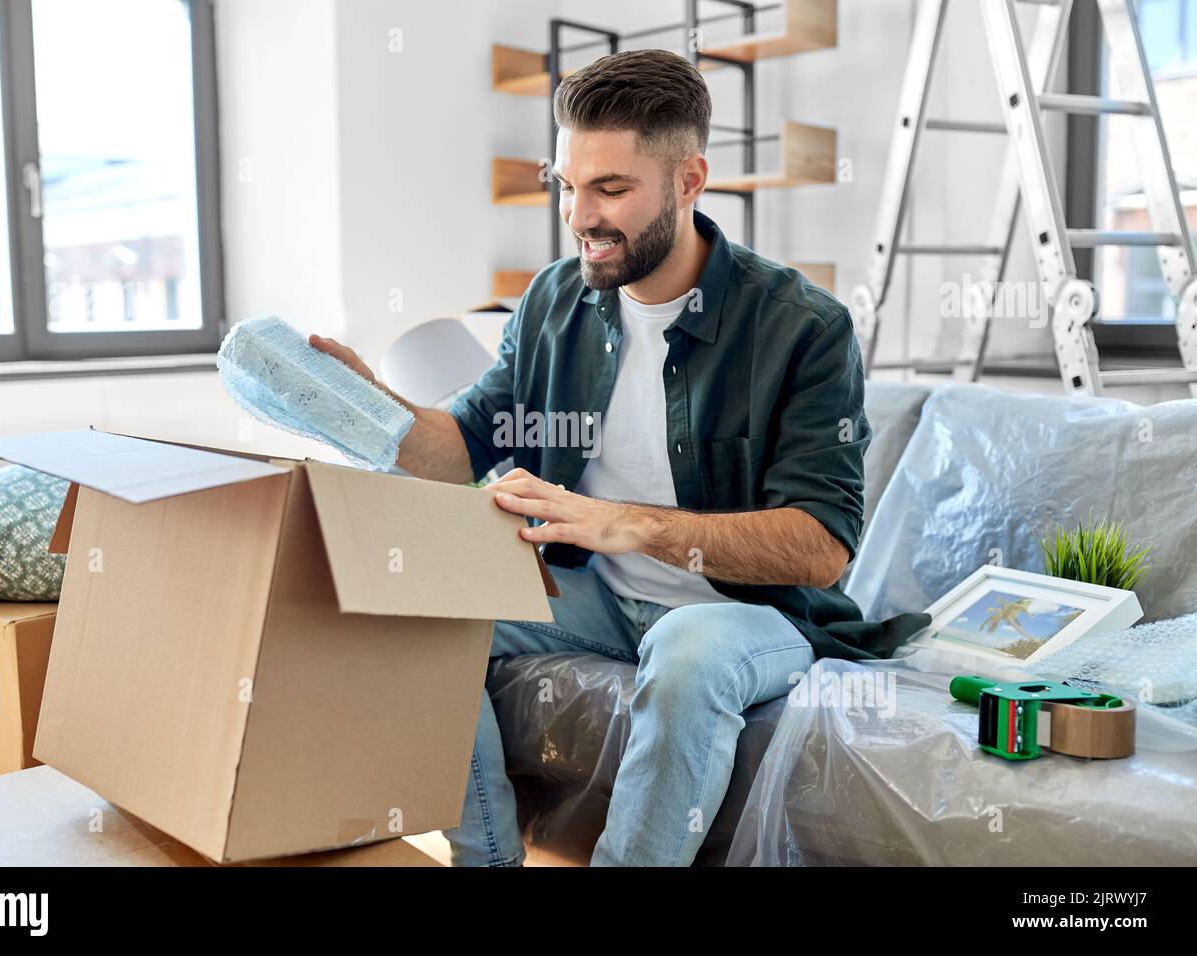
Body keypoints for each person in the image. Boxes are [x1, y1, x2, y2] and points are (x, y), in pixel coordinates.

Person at [310, 48, 925, 867]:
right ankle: (485, 858)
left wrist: (625, 524)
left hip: (753, 615)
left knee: (687, 651)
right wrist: (372, 408)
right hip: (600, 599)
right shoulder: (553, 299)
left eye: (610, 189)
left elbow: (819, 546)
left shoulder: (801, 327)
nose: (579, 215)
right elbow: (460, 446)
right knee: (419, 605)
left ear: (689, 179)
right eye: (567, 184)